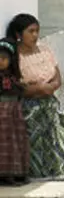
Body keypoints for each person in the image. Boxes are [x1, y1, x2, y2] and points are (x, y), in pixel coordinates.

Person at [7, 14, 64, 181]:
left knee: (56, 142)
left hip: (50, 104)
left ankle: (60, 176)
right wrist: (38, 88)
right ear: (19, 34)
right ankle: (36, 178)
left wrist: (50, 87)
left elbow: (57, 76)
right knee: (35, 145)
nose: (35, 35)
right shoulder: (14, 57)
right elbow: (15, 87)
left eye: (37, 31)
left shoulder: (45, 50)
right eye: (31, 31)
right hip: (29, 108)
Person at [0, 39, 29, 185]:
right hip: (2, 113)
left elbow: (20, 90)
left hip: (14, 112)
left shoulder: (13, 76)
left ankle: (15, 172)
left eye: (4, 58)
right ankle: (4, 174)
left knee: (15, 140)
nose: (1, 61)